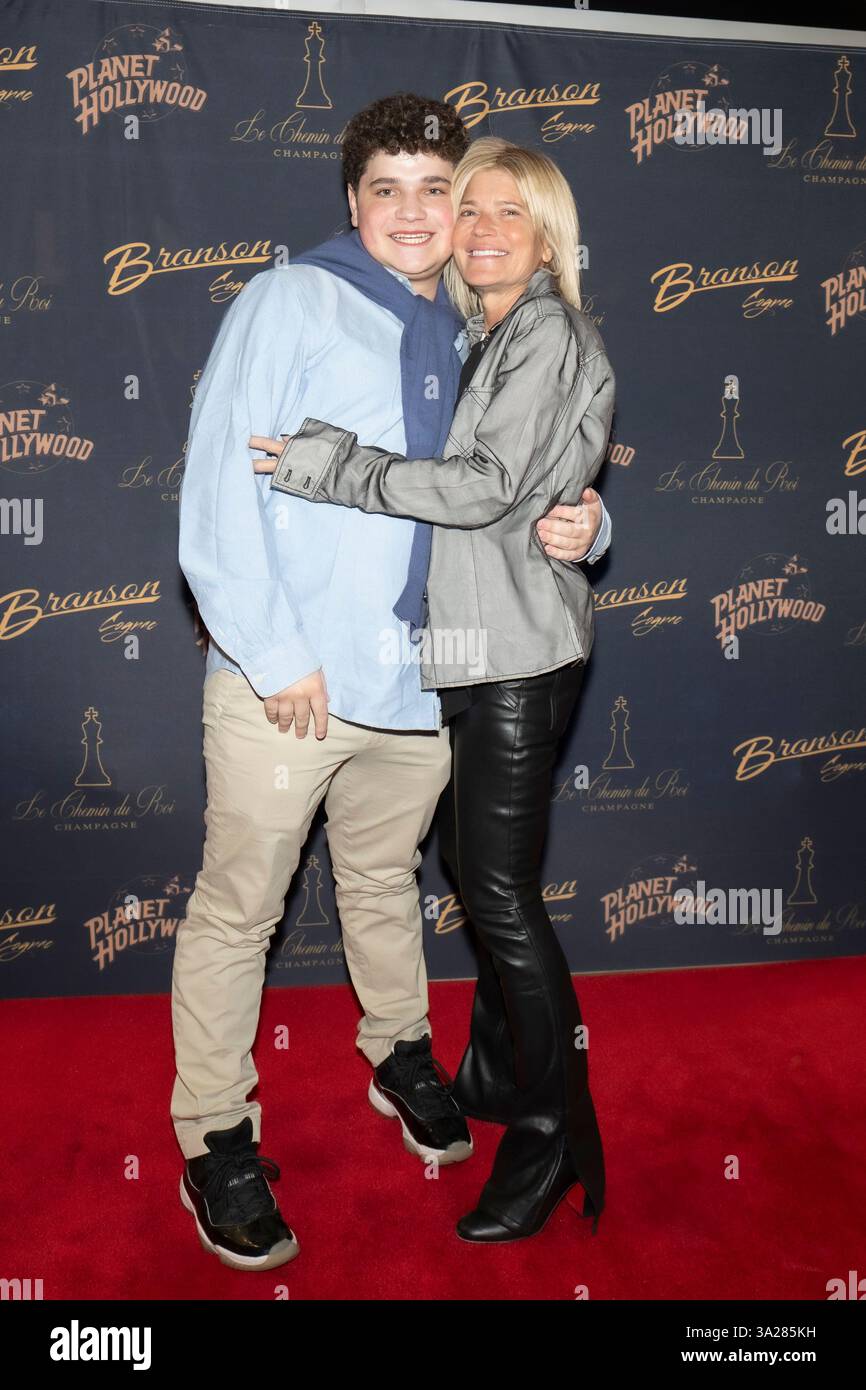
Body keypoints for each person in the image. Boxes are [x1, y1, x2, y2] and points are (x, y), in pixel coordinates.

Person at [175, 96, 612, 1269]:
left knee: (384, 882)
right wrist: (274, 656)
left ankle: (397, 1048)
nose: (423, 214)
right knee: (239, 911)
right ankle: (216, 1134)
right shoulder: (288, 298)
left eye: (443, 188)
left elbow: (513, 469)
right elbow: (217, 493)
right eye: (395, 188)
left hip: (431, 681)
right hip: (293, 681)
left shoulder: (479, 327)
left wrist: (587, 514)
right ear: (351, 201)